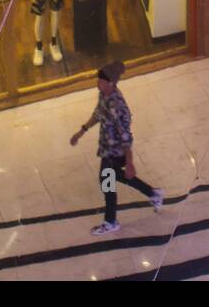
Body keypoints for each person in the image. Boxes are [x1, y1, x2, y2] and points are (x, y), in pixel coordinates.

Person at [70, 60, 164, 236]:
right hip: (107, 148)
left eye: (100, 81)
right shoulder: (103, 95)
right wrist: (81, 131)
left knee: (107, 183)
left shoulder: (118, 106)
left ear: (111, 83)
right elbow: (98, 113)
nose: (97, 83)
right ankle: (152, 193)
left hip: (116, 151)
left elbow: (126, 136)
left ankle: (111, 221)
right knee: (114, 178)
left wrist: (130, 162)